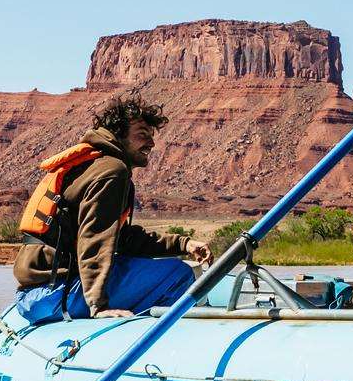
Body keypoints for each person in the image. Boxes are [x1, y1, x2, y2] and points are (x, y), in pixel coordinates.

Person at [12, 95, 211, 324]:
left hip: (32, 297)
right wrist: (98, 305)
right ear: (118, 134)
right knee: (179, 274)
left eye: (151, 136)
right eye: (142, 134)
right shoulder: (112, 170)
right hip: (55, 296)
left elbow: (121, 239)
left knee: (135, 265)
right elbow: (94, 238)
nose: (151, 143)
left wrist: (183, 244)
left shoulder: (94, 164)